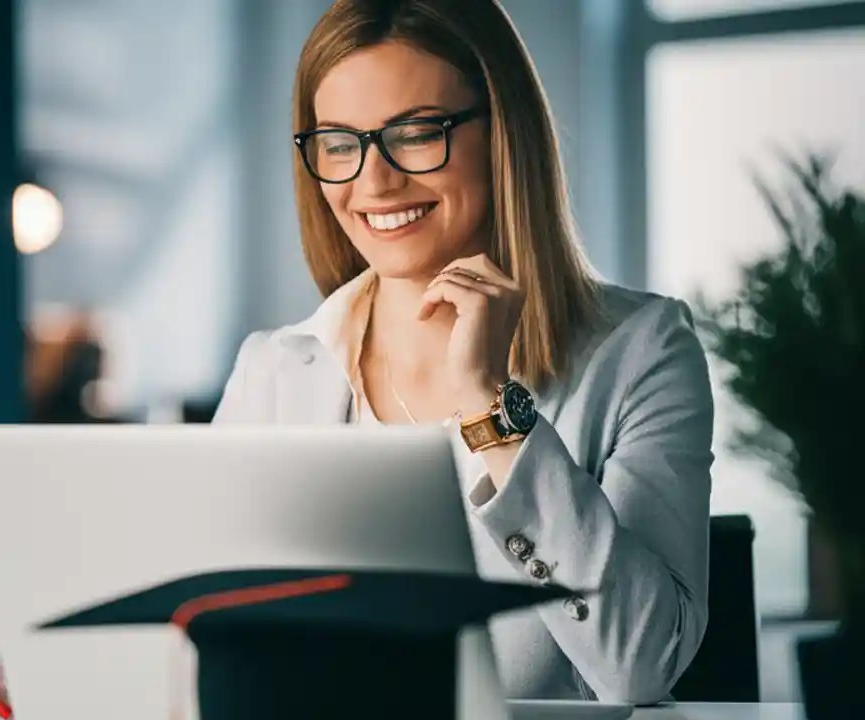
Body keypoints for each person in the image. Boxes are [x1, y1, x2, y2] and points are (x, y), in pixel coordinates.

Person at [213, 0, 713, 705]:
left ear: (502, 132)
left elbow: (641, 664)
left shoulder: (641, 351)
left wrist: (491, 407)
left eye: (416, 134)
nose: (374, 181)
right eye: (339, 143)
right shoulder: (274, 369)